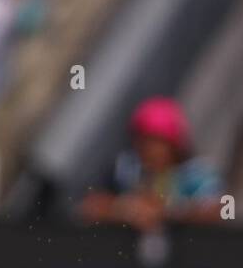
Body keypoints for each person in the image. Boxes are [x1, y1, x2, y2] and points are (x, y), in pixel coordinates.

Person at [80, 97, 222, 232]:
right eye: (142, 141)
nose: (148, 150)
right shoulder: (126, 169)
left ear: (174, 145)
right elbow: (90, 206)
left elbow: (218, 212)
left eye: (157, 142)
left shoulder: (196, 173)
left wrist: (166, 211)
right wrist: (125, 208)